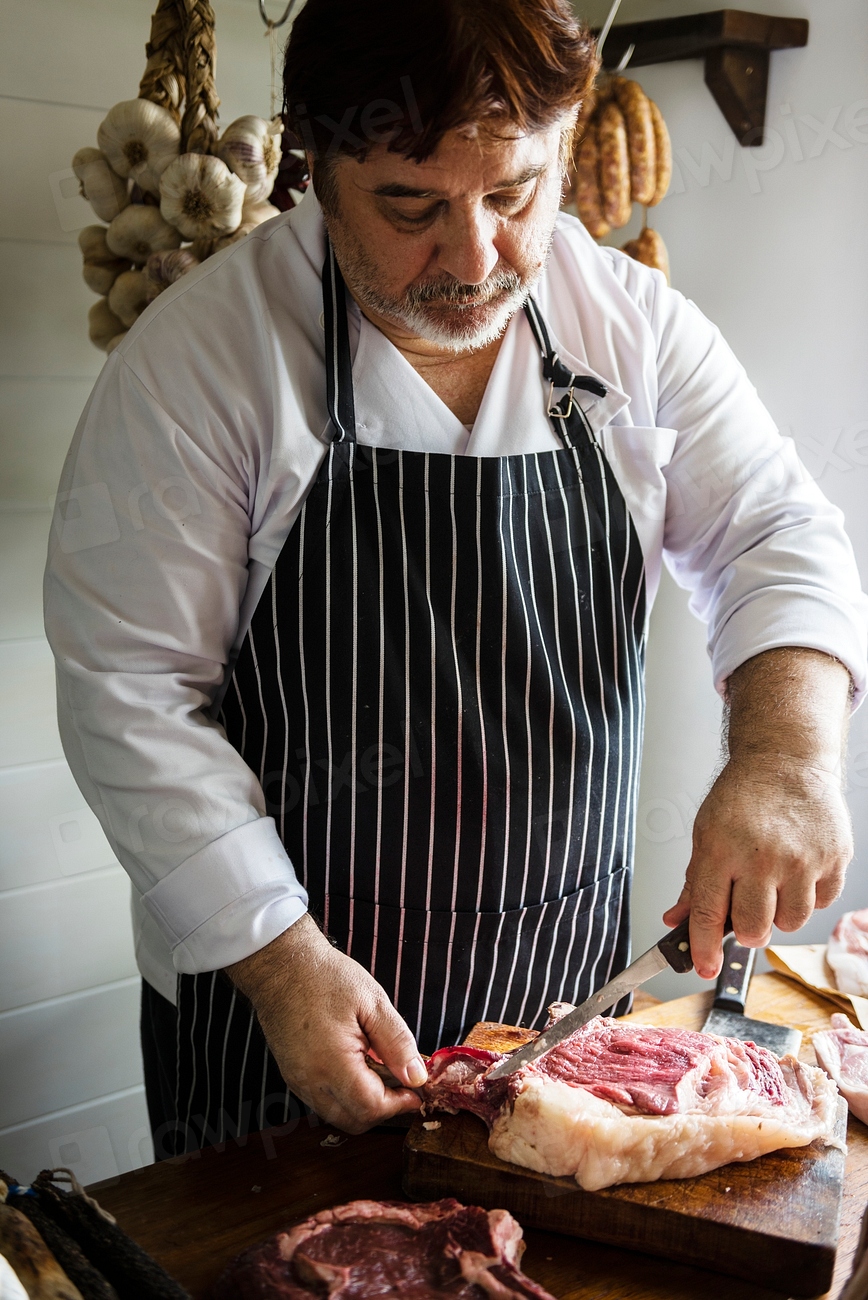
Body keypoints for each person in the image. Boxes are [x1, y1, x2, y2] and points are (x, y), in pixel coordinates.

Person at [45, 0, 866, 1155]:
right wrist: (281, 965)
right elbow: (130, 695)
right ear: (316, 167)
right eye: (411, 206)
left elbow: (774, 531)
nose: (477, 258)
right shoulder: (201, 364)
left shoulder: (627, 325)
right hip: (281, 1016)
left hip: (565, 1011)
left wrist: (785, 753)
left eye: (515, 194)